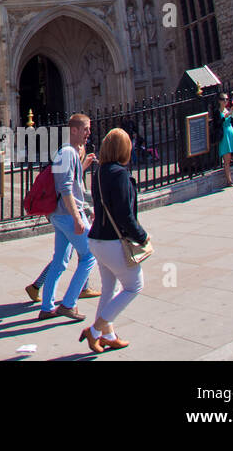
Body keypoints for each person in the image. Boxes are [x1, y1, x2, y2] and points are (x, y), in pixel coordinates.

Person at [82, 127, 149, 353]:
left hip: (97, 241)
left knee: (110, 288)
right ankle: (94, 331)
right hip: (112, 241)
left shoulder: (99, 171)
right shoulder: (119, 174)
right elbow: (124, 214)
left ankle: (108, 335)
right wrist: (142, 236)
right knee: (134, 286)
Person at [37, 114, 96, 322]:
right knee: (90, 254)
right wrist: (78, 218)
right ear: (74, 130)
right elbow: (66, 188)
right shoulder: (68, 153)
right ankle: (69, 304)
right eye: (86, 129)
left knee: (60, 261)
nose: (89, 132)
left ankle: (46, 306)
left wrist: (83, 165)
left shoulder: (67, 153)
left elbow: (70, 182)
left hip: (60, 215)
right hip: (67, 215)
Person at [218, 93, 233, 186]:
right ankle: (229, 181)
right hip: (224, 135)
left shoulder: (227, 110)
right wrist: (225, 117)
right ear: (219, 101)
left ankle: (230, 157)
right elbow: (218, 123)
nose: (225, 101)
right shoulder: (218, 112)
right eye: (223, 99)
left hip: (231, 133)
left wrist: (232, 112)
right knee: (227, 161)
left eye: (226, 99)